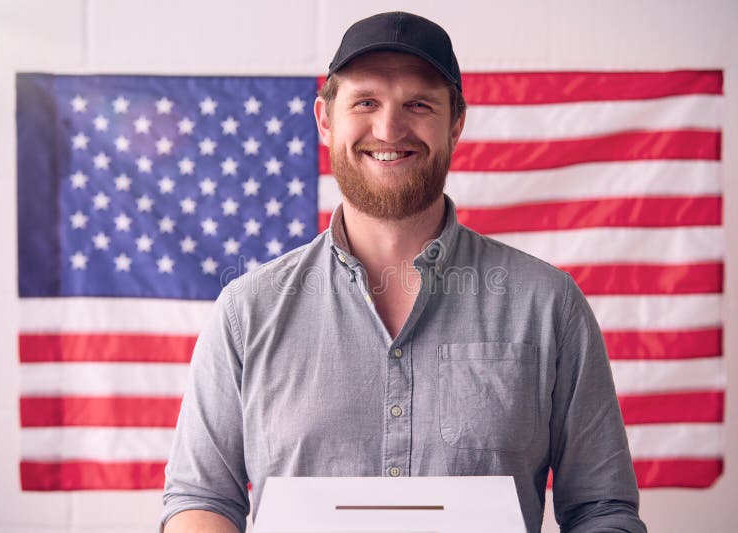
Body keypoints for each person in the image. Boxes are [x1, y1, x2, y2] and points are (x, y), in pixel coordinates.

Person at [162, 11, 646, 533]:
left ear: (455, 124)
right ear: (326, 120)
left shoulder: (548, 304)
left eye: (418, 104)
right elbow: (201, 497)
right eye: (365, 102)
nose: (389, 128)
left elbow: (602, 510)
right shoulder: (245, 311)